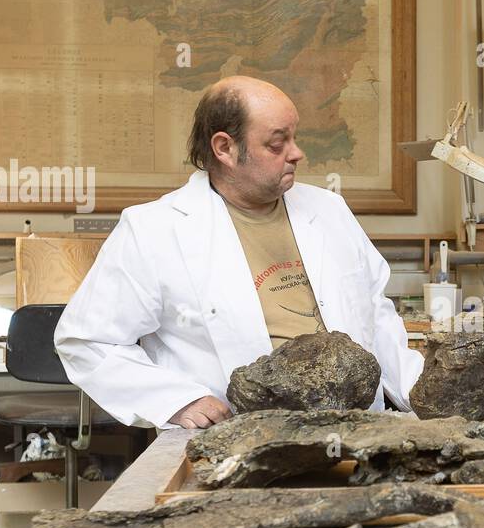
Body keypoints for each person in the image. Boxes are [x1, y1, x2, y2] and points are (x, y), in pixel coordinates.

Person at [54, 76, 422, 430]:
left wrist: (416, 392)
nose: (297, 153)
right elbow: (87, 340)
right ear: (225, 148)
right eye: (277, 144)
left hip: (358, 427)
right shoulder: (153, 231)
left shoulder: (330, 211)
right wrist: (178, 401)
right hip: (238, 435)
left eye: (294, 138)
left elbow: (377, 316)